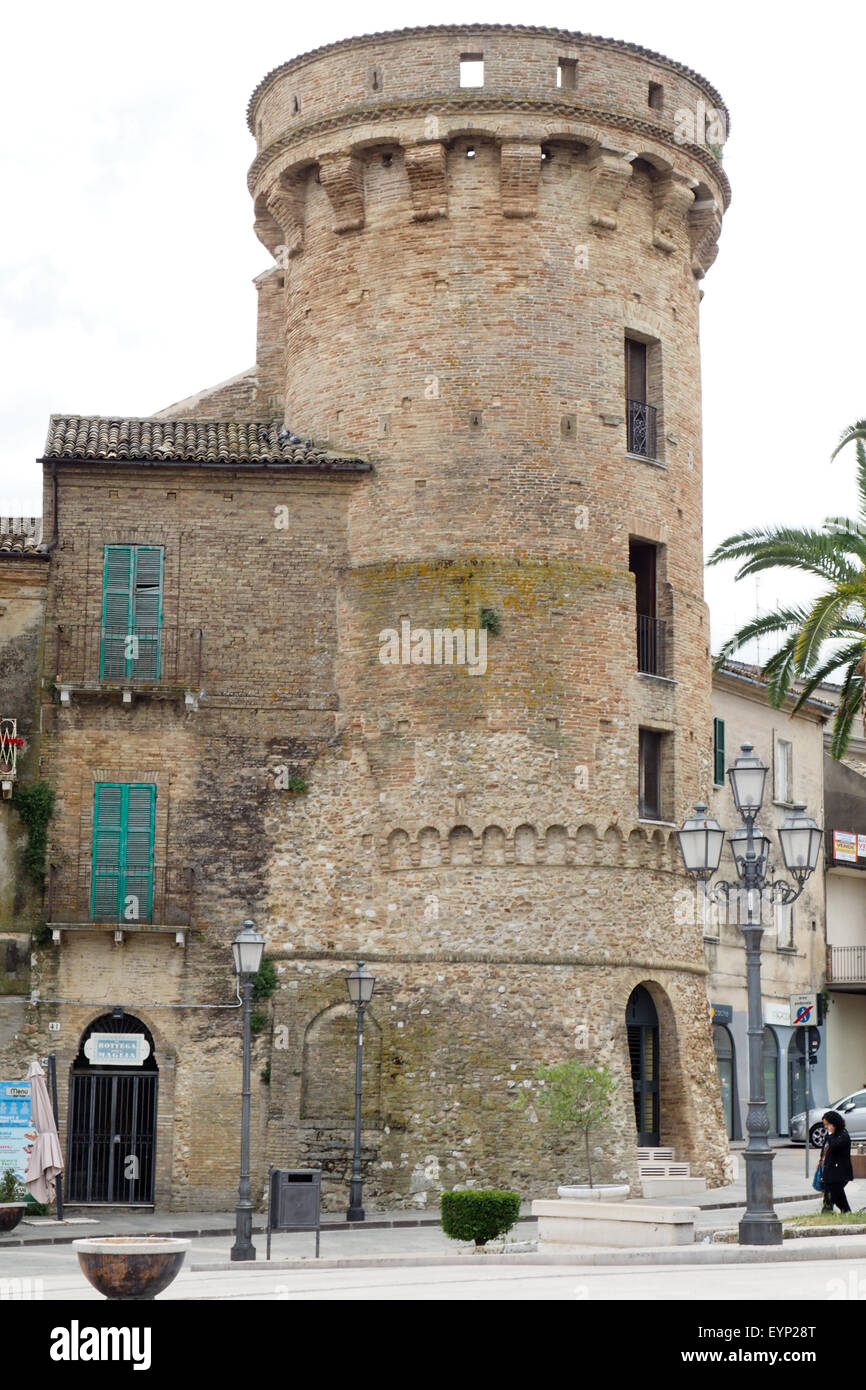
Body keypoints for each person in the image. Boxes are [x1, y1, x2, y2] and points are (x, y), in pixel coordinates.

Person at [821, 1110, 853, 1214]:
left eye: (827, 1124)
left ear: (834, 1123)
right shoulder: (830, 1135)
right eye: (824, 1124)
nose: (826, 1127)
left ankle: (824, 1219)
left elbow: (834, 1146)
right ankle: (848, 1215)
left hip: (839, 1175)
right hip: (829, 1173)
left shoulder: (843, 1135)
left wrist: (830, 1134)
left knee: (828, 1202)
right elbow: (825, 1149)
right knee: (842, 1203)